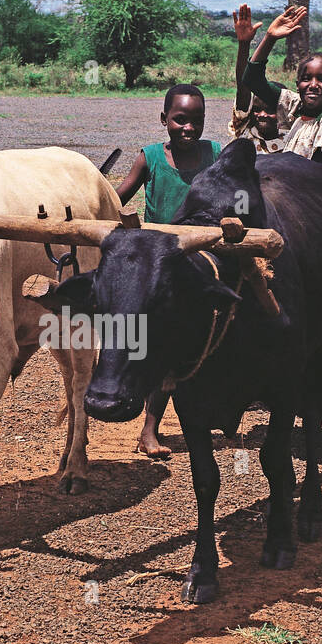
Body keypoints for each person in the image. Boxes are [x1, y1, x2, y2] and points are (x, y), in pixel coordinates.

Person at [115, 84, 222, 459]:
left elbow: (234, 197)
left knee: (207, 341)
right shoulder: (149, 159)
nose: (188, 128)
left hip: (206, 261)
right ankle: (149, 429)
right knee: (163, 345)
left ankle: (207, 414)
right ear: (165, 120)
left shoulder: (215, 154)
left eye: (196, 121)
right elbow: (117, 203)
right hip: (158, 264)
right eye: (180, 120)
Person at [240, 5, 322, 179]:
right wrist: (269, 38)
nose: (313, 85)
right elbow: (252, 80)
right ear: (297, 85)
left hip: (310, 196)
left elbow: (320, 173)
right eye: (307, 79)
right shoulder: (297, 107)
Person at [228, 4, 285, 152]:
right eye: (257, 109)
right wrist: (244, 43)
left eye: (270, 110)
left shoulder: (293, 139)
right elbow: (244, 87)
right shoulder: (245, 131)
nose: (262, 115)